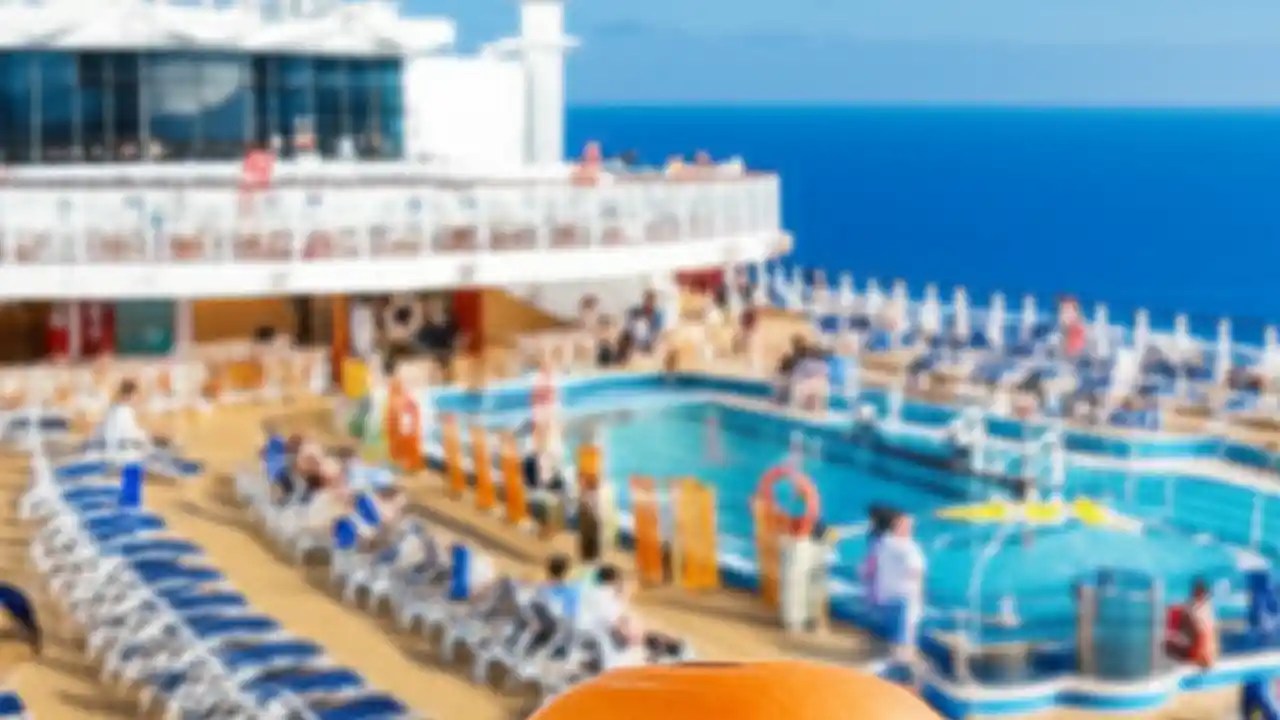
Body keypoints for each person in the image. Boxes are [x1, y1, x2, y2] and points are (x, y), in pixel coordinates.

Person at [873, 514, 927, 661]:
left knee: (896, 634)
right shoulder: (905, 547)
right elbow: (915, 570)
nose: (910, 529)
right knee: (903, 635)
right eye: (906, 526)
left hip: (889, 594)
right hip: (903, 595)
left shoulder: (883, 544)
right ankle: (902, 661)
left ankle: (898, 656)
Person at [1168, 579, 1218, 668]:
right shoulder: (1208, 609)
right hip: (1208, 656)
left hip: (1201, 656)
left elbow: (1200, 632)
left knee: (1168, 646)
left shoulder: (1196, 610)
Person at [101, 379, 152, 461]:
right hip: (125, 456)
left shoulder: (116, 410)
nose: (139, 399)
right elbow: (131, 438)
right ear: (130, 395)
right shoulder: (125, 412)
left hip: (118, 453)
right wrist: (145, 436)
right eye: (137, 395)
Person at [417, 297, 462, 383]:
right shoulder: (426, 330)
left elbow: (456, 336)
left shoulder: (450, 326)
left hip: (443, 350)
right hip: (438, 351)